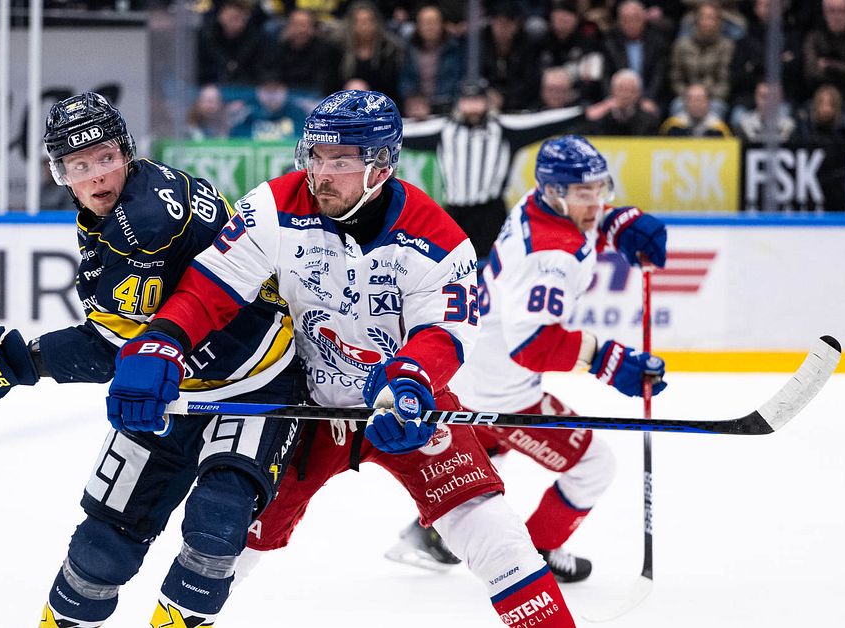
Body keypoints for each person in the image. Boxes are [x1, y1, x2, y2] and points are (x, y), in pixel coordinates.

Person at [107, 89, 580, 626]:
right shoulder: (273, 205)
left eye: (340, 161)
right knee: (225, 546)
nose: (320, 172)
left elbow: (445, 334)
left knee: (495, 534)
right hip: (297, 403)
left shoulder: (439, 238)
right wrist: (162, 340)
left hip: (402, 400)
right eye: (315, 155)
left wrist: (411, 380)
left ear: (381, 166)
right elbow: (211, 288)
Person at [0, 92, 303, 628]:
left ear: (127, 153)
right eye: (80, 166)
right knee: (103, 543)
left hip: (255, 381)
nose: (97, 176)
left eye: (106, 157)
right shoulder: (124, 204)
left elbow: (118, 349)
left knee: (216, 524)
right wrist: (21, 360)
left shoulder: (143, 224)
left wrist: (19, 362)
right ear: (61, 174)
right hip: (172, 393)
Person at [385, 135, 670, 582]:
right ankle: (538, 552)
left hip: (474, 368)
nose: (595, 201)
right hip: (503, 386)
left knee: (485, 448)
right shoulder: (551, 257)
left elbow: (579, 220)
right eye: (584, 193)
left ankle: (433, 535)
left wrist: (618, 223)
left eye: (601, 189)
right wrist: (610, 361)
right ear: (555, 192)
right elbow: (534, 345)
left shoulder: (536, 206)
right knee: (594, 465)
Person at [401, 78, 611, 262]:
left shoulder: (502, 127)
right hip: (456, 210)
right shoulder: (444, 128)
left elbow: (541, 121)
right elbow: (406, 130)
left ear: (486, 102)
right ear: (459, 103)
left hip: (490, 211)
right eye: (467, 100)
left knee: (494, 262)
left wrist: (581, 114)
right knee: (452, 263)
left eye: (477, 100)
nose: (472, 106)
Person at [660, 82, 733, 136]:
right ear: (685, 103)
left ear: (708, 102)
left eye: (699, 99)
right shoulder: (672, 126)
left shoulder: (719, 129)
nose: (696, 104)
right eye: (692, 99)